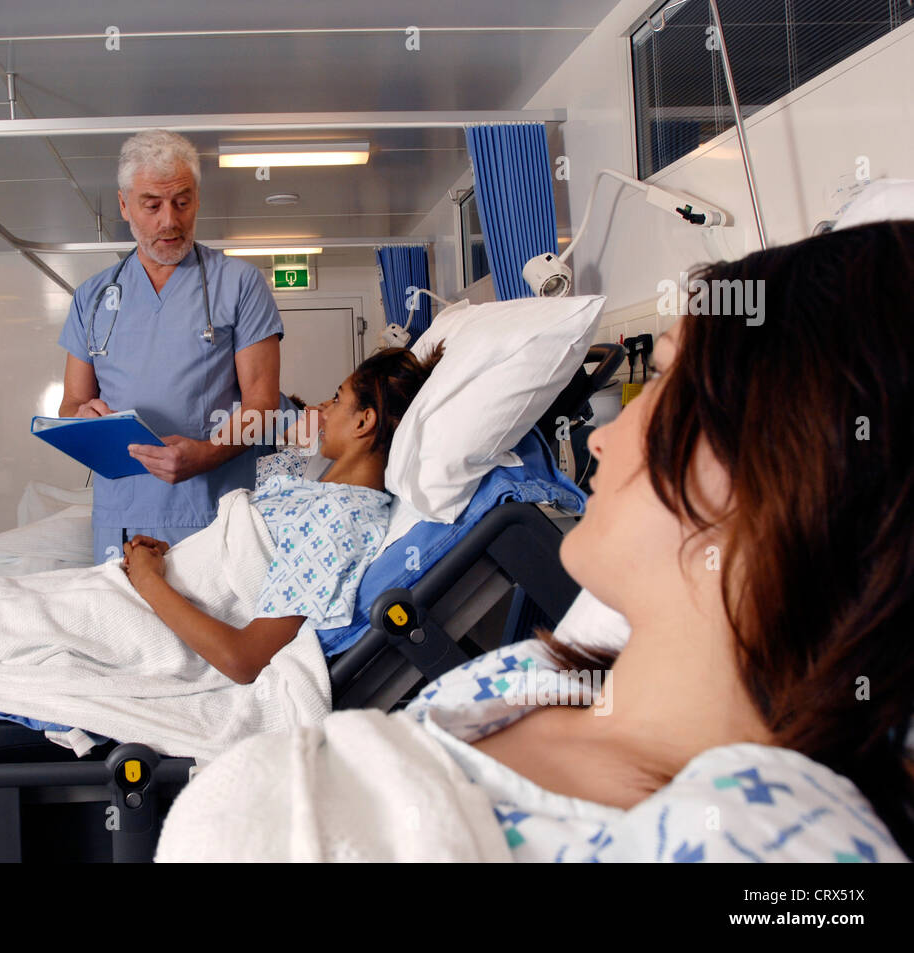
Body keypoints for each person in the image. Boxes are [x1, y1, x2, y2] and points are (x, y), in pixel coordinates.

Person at [156, 222, 914, 862]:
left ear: (783, 465)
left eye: (667, 385)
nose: (610, 435)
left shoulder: (776, 838)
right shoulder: (535, 675)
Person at [123, 345, 442, 682]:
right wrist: (173, 559)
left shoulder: (340, 519)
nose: (325, 411)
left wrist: (148, 579)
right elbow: (248, 553)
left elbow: (244, 659)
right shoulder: (316, 491)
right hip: (147, 587)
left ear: (364, 421)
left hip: (143, 613)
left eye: (337, 399)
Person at [57, 130, 285, 564]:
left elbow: (264, 405)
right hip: (122, 514)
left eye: (182, 202)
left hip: (215, 511)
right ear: (124, 205)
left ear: (197, 199)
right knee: (126, 630)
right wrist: (80, 416)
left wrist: (207, 454)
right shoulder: (92, 296)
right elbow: (72, 402)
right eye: (152, 205)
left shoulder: (239, 284)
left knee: (214, 631)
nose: (170, 221)